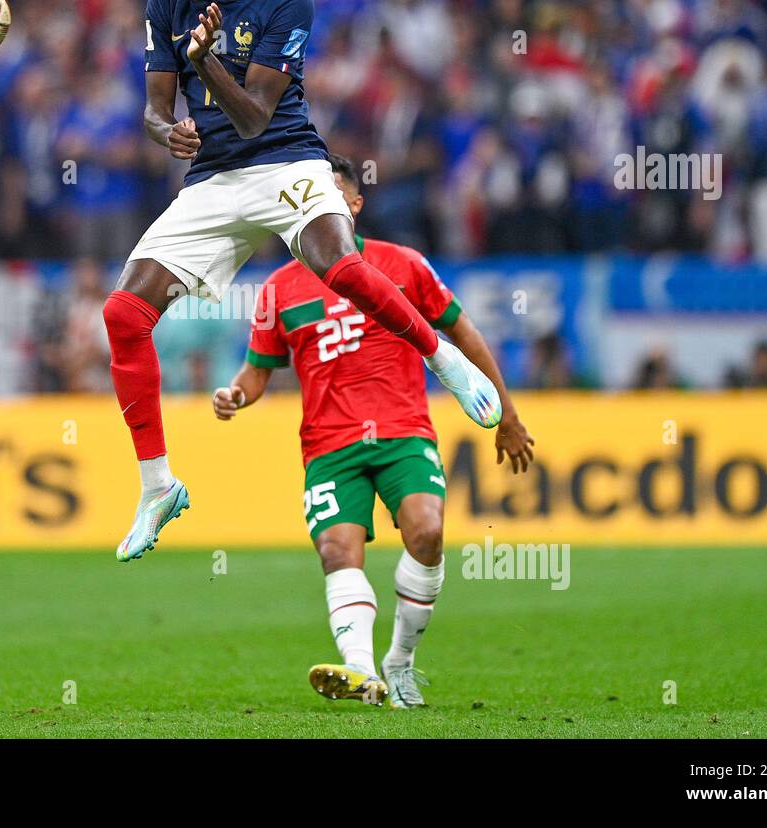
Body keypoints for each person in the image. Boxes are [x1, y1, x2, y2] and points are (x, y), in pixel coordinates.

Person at [105, 0, 502, 562]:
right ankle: (158, 485)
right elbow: (153, 108)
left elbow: (258, 116)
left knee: (338, 265)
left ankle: (441, 357)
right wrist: (165, 129)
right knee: (122, 314)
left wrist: (206, 64)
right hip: (212, 179)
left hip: (284, 158)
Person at [213, 154, 534, 708]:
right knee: (338, 550)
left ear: (355, 206)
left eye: (332, 198)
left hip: (404, 433)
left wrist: (506, 413)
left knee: (428, 534)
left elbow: (466, 335)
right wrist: (236, 393)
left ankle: (400, 662)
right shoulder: (278, 290)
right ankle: (360, 671)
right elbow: (258, 370)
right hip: (329, 447)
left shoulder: (403, 265)